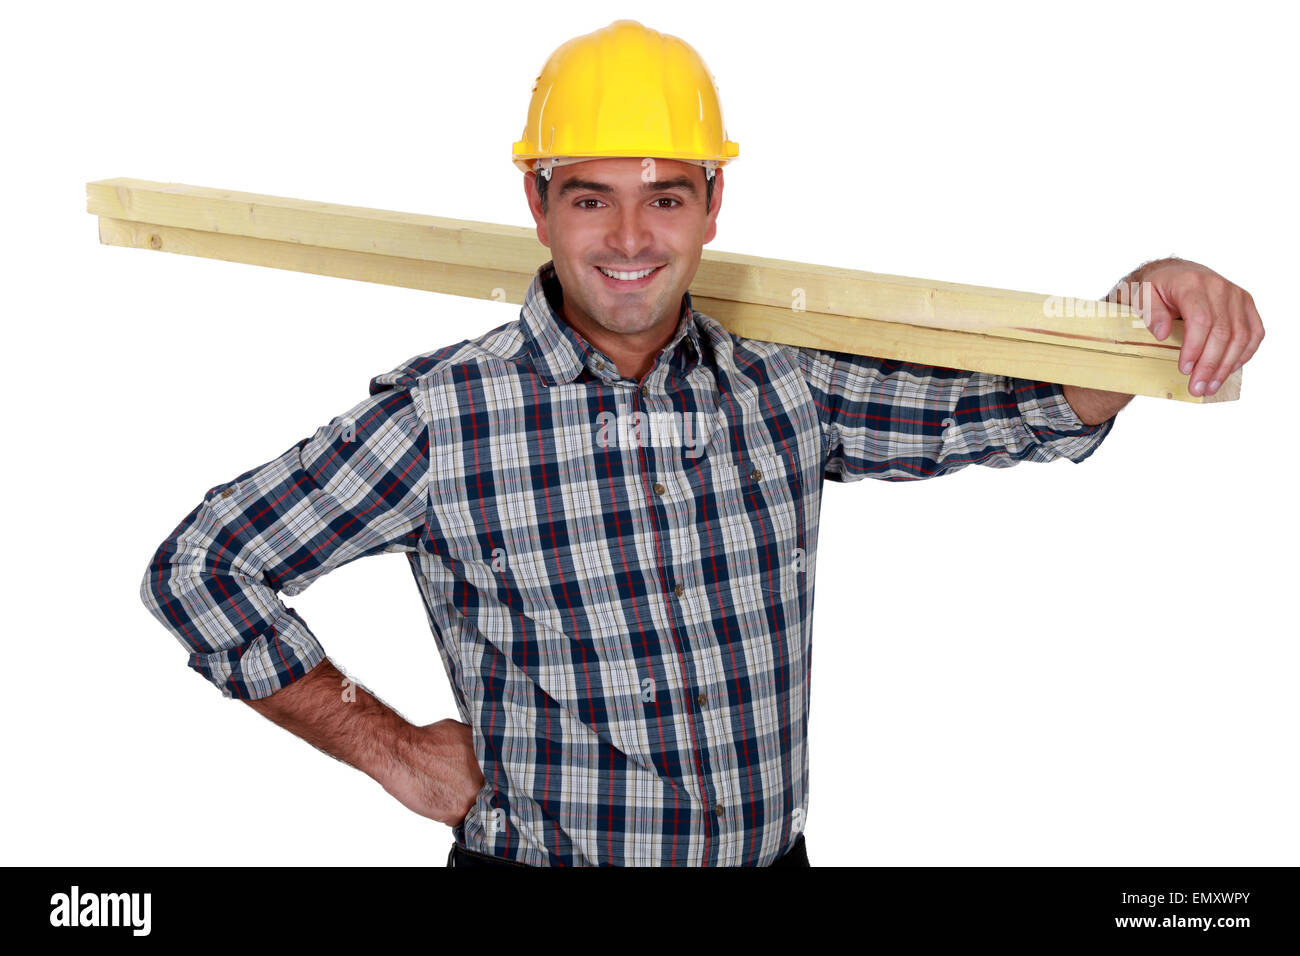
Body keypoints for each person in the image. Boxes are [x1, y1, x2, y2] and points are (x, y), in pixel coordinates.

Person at [138, 20, 1265, 868]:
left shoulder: (786, 384)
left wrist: (1138, 314)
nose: (630, 237)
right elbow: (202, 567)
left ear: (713, 204)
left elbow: (1009, 406)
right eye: (590, 197)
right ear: (536, 205)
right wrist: (390, 750)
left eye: (665, 196)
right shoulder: (447, 418)